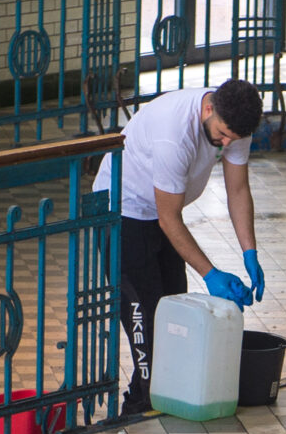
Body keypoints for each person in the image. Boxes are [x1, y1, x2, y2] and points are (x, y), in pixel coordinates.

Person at [97, 76, 267, 413]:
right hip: (122, 213)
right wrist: (212, 274)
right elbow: (169, 219)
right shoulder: (173, 133)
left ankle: (158, 397)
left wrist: (250, 252)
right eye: (221, 134)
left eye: (233, 139)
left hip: (159, 213)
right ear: (208, 108)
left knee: (174, 311)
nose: (225, 143)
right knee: (146, 317)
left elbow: (237, 190)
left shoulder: (236, 124)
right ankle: (139, 407)